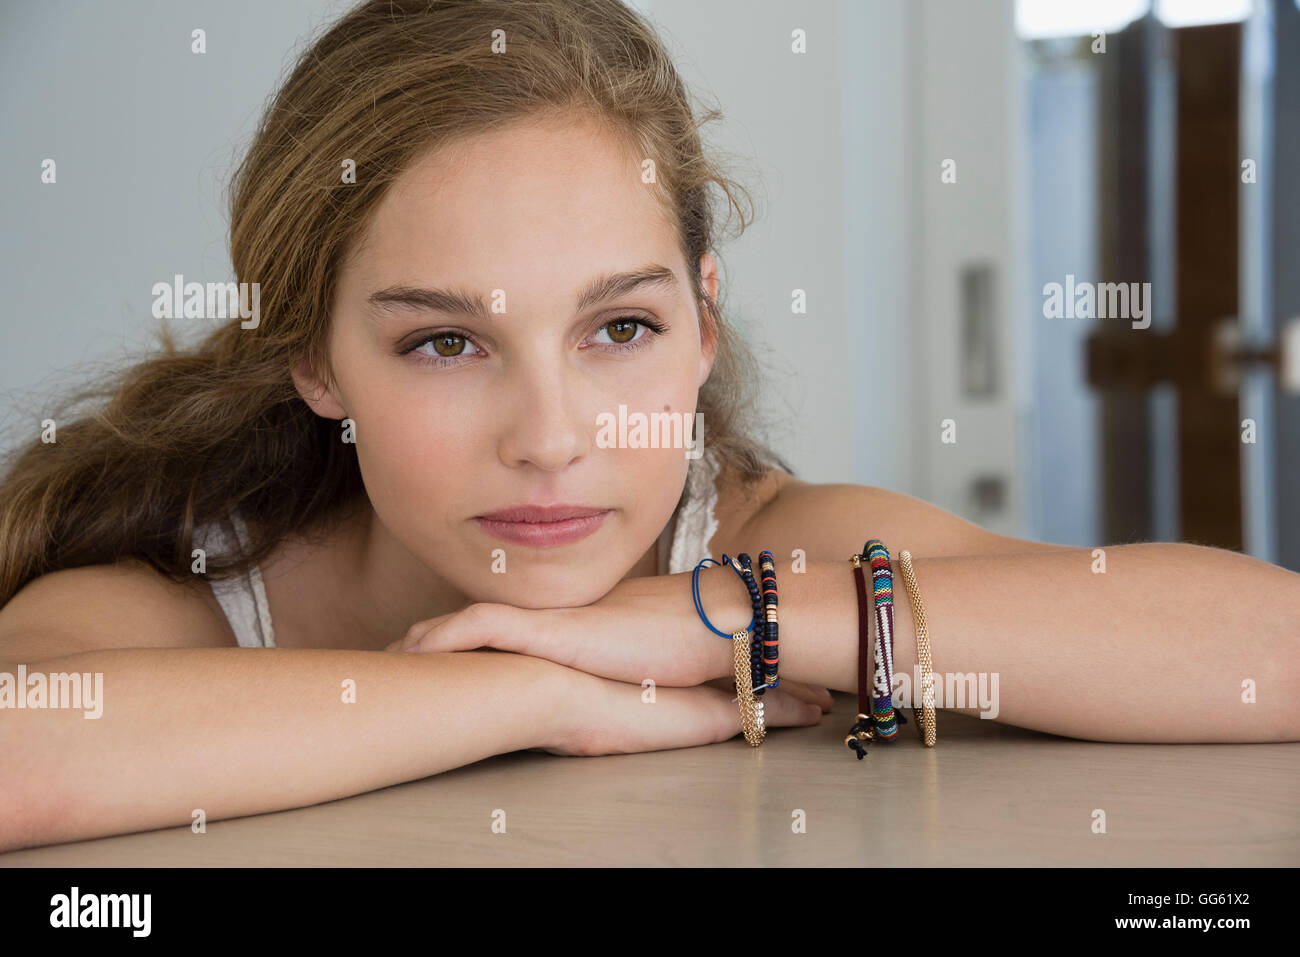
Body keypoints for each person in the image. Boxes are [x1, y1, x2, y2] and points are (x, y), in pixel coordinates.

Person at [0, 0, 1295, 853]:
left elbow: (1268, 649)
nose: (551, 435)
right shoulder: (207, 579)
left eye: (618, 328)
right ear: (316, 361)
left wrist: (713, 619)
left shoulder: (748, 545)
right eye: (445, 341)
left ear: (705, 323)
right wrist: (532, 688)